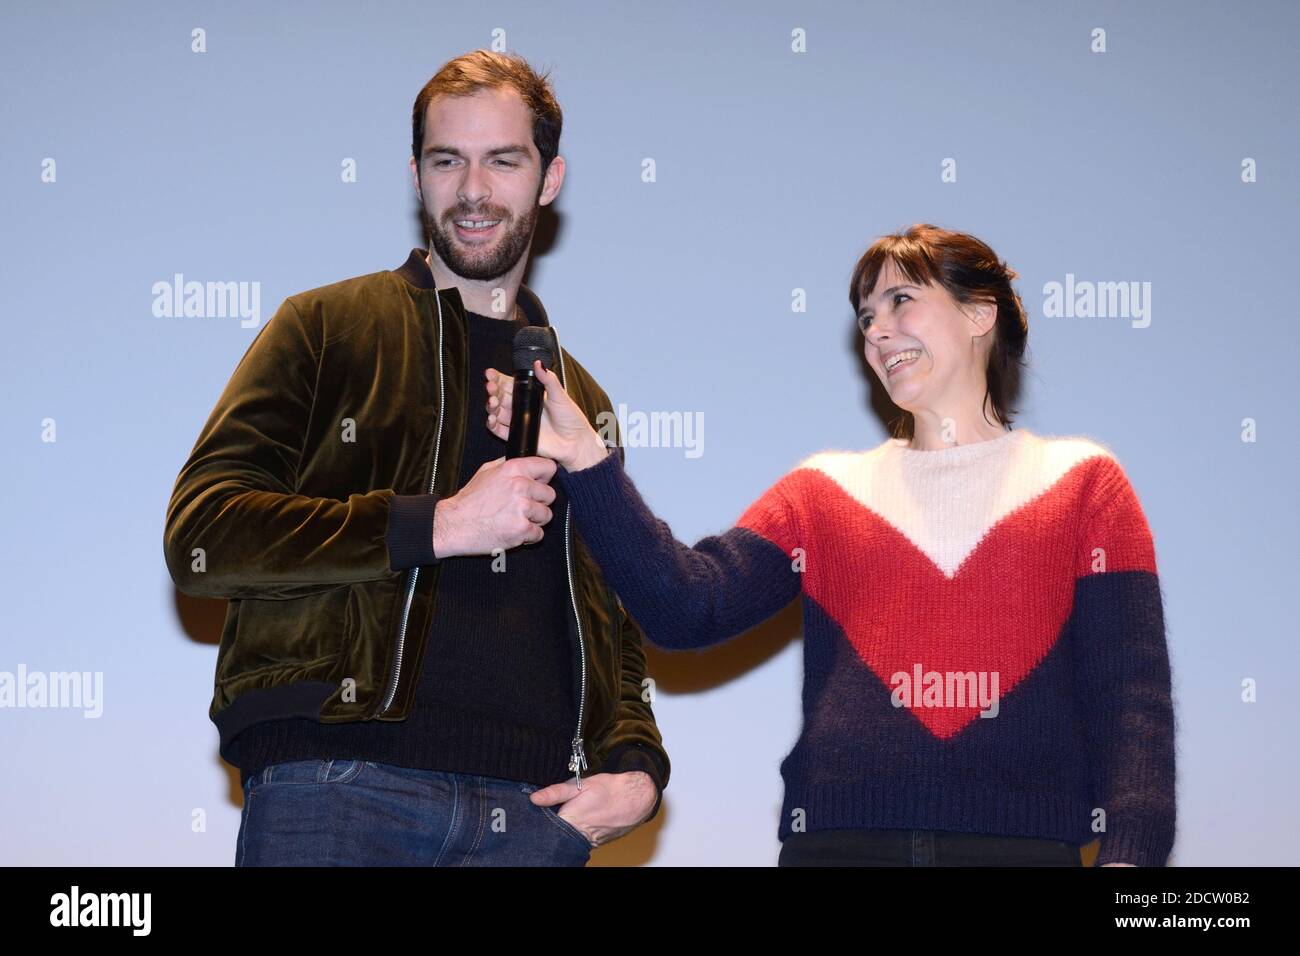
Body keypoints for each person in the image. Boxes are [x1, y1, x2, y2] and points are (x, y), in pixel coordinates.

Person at [485, 223, 1176, 867]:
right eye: (867, 317)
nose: (879, 332)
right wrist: (585, 458)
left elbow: (1132, 703)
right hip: (838, 847)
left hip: (1024, 847)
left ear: (979, 312)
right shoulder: (823, 492)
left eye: (902, 300)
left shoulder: (1086, 484)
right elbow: (683, 609)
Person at [163, 50, 668, 867]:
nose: (473, 190)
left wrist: (639, 767)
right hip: (336, 785)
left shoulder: (583, 399)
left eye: (503, 160)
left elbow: (614, 615)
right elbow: (202, 535)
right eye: (447, 161)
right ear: (415, 175)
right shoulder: (325, 327)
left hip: (533, 815)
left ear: (550, 179)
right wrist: (436, 524)